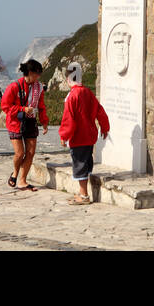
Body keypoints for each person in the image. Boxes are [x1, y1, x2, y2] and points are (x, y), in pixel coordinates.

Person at [57, 62, 109, 206]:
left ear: (68, 79)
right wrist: (104, 127)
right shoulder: (88, 92)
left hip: (78, 137)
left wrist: (64, 135)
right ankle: (82, 192)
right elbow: (100, 110)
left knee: (79, 165)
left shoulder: (72, 96)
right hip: (90, 135)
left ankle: (84, 195)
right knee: (86, 163)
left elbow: (69, 120)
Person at [1, 59, 47, 190]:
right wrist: (22, 109)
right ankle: (15, 172)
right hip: (16, 122)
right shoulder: (15, 86)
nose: (39, 77)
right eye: (37, 73)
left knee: (31, 152)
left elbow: (41, 106)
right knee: (19, 153)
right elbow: (5, 106)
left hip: (31, 121)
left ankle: (22, 180)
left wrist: (44, 122)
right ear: (30, 72)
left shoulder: (39, 87)